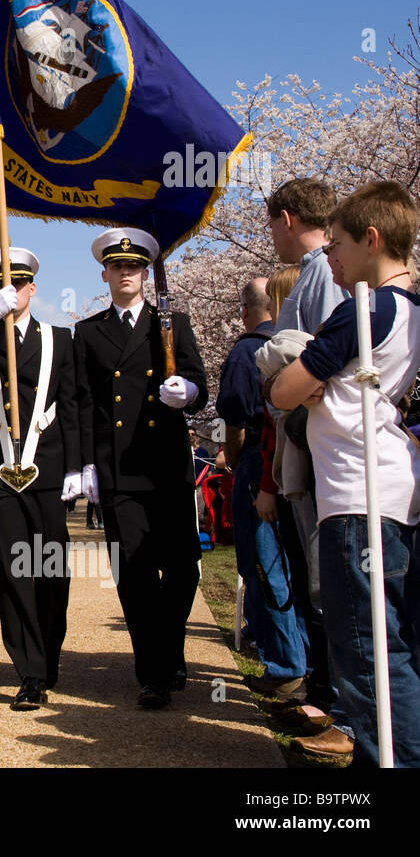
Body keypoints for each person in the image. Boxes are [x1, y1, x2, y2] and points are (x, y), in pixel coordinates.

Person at [270, 180, 420, 767]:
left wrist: (303, 387)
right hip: (389, 489)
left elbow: (285, 390)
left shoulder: (365, 308)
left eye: (337, 246)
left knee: (367, 647)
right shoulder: (411, 311)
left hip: (358, 495)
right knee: (391, 640)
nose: (329, 258)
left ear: (373, 240)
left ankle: (392, 760)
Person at [73, 227, 208, 708]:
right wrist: (85, 463)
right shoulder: (87, 331)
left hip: (166, 463)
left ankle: (170, 649)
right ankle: (152, 671)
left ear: (145, 273)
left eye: (134, 267)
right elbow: (84, 400)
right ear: (105, 274)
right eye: (117, 267)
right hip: (118, 467)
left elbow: (198, 382)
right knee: (133, 571)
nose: (125, 273)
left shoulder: (172, 323)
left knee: (182, 568)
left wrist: (186, 392)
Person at [0, 246, 80, 709]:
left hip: (47, 468)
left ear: (32, 288)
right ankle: (28, 670)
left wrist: (77, 467)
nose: (6, 292)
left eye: (14, 285)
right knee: (11, 571)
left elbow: (70, 406)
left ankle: (48, 655)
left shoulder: (60, 339)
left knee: (50, 570)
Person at [264, 178, 354, 758]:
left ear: (289, 218)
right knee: (318, 581)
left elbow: (321, 361)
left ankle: (345, 713)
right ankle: (327, 693)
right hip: (306, 447)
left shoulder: (321, 274)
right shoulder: (317, 272)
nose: (270, 237)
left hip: (322, 449)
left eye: (272, 223)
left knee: (331, 584)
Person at [216, 278, 307, 699]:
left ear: (244, 310)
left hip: (260, 456)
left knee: (261, 562)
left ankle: (286, 666)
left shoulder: (244, 351)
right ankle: (301, 657)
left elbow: (235, 417)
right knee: (295, 562)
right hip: (302, 460)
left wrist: (233, 459)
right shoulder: (303, 342)